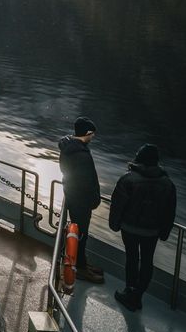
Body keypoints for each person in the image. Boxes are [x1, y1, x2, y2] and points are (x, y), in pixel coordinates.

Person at [108, 144, 178, 311]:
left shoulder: (128, 179)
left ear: (138, 158)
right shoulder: (168, 184)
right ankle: (137, 296)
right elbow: (170, 211)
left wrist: (114, 224)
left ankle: (129, 291)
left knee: (132, 259)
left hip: (129, 228)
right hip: (152, 231)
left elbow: (118, 204)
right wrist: (164, 232)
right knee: (147, 262)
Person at [58, 116, 105, 283]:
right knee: (82, 234)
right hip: (81, 201)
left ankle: (82, 263)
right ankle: (80, 268)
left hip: (73, 196)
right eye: (92, 134)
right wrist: (94, 200)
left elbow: (66, 171)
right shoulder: (81, 154)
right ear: (88, 133)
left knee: (79, 233)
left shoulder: (69, 148)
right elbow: (87, 181)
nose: (93, 137)